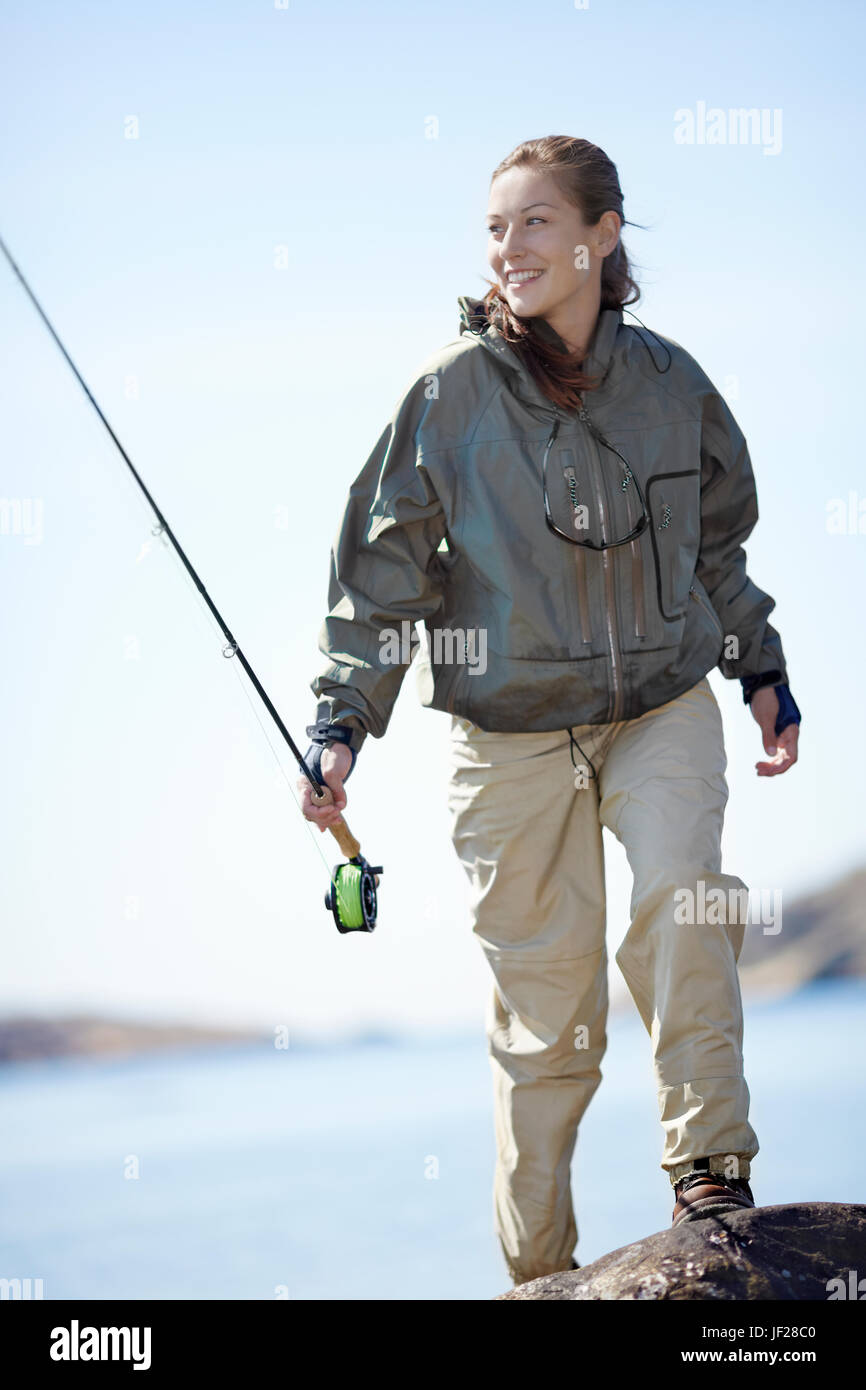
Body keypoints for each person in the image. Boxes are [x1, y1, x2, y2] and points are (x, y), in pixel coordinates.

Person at [298, 135, 801, 1287]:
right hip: (508, 733)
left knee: (685, 896)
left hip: (658, 704)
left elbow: (715, 550)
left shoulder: (675, 388)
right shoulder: (446, 396)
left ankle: (708, 1172)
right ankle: (539, 1275)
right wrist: (338, 728)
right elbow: (383, 583)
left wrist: (760, 672)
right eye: (493, 227)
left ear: (599, 235)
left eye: (532, 221)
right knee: (547, 1027)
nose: (507, 247)